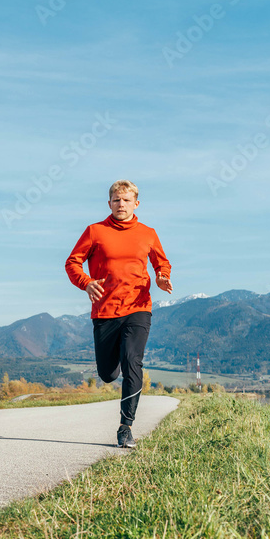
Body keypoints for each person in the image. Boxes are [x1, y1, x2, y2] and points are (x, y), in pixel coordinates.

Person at [65, 180, 172, 448]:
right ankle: (111, 373)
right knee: (108, 374)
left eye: (126, 200)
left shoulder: (148, 233)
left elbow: (162, 262)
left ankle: (126, 427)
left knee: (132, 361)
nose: (121, 204)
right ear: (109, 203)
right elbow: (72, 262)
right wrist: (86, 282)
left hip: (138, 307)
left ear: (136, 203)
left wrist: (162, 277)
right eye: (116, 200)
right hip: (105, 311)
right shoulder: (95, 231)